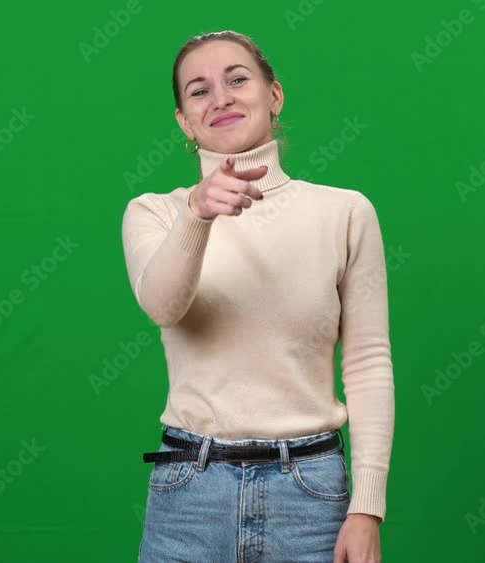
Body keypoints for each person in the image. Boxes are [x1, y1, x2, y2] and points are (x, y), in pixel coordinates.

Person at [121, 30, 395, 562]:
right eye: (198, 91)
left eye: (237, 80)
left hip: (311, 493)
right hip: (189, 493)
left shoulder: (344, 213)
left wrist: (367, 507)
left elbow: (367, 363)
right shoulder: (155, 212)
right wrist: (197, 214)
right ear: (184, 122)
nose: (220, 98)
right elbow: (163, 305)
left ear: (274, 96)